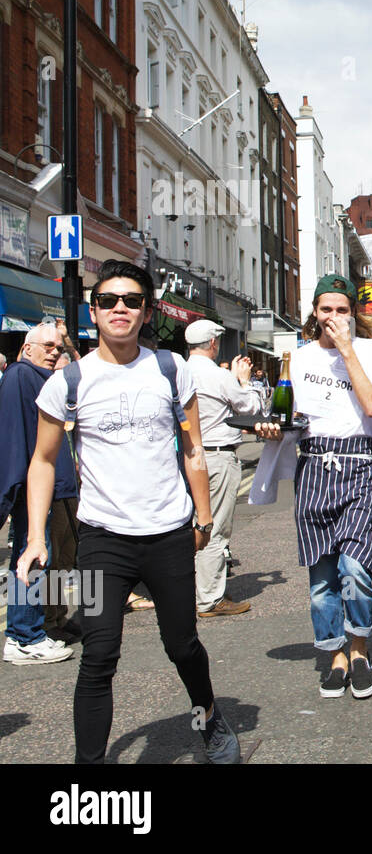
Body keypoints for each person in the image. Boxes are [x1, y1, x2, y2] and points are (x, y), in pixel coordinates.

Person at [17, 259, 240, 763]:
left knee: (182, 645)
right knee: (97, 656)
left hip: (167, 535)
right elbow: (42, 462)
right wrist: (35, 537)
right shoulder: (67, 382)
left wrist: (203, 518)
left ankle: (209, 715)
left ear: (146, 311)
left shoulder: (171, 369)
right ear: (93, 312)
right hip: (103, 541)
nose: (120, 309)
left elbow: (194, 450)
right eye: (109, 301)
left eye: (132, 301)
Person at [254, 275, 372, 699]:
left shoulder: (371, 350)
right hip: (314, 466)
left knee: (354, 569)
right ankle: (334, 655)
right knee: (321, 579)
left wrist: (348, 349)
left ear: (353, 313)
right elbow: (289, 421)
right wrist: (270, 428)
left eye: (342, 309)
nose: (333, 317)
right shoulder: (298, 360)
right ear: (314, 313)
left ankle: (359, 649)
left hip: (356, 463)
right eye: (325, 310)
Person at [1, 324, 79, 663]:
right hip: (32, 492)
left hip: (52, 489)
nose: (53, 352)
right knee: (29, 560)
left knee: (46, 562)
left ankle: (37, 629)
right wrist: (14, 488)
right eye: (47, 346)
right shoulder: (21, 376)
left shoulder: (42, 378)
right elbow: (15, 436)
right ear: (26, 348)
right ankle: (23, 636)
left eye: (57, 348)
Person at [185, 320, 258, 618]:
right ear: (213, 344)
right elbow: (251, 408)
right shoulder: (219, 376)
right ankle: (210, 599)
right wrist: (244, 380)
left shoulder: (178, 371)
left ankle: (191, 588)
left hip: (187, 457)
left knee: (192, 523)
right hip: (217, 456)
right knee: (215, 527)